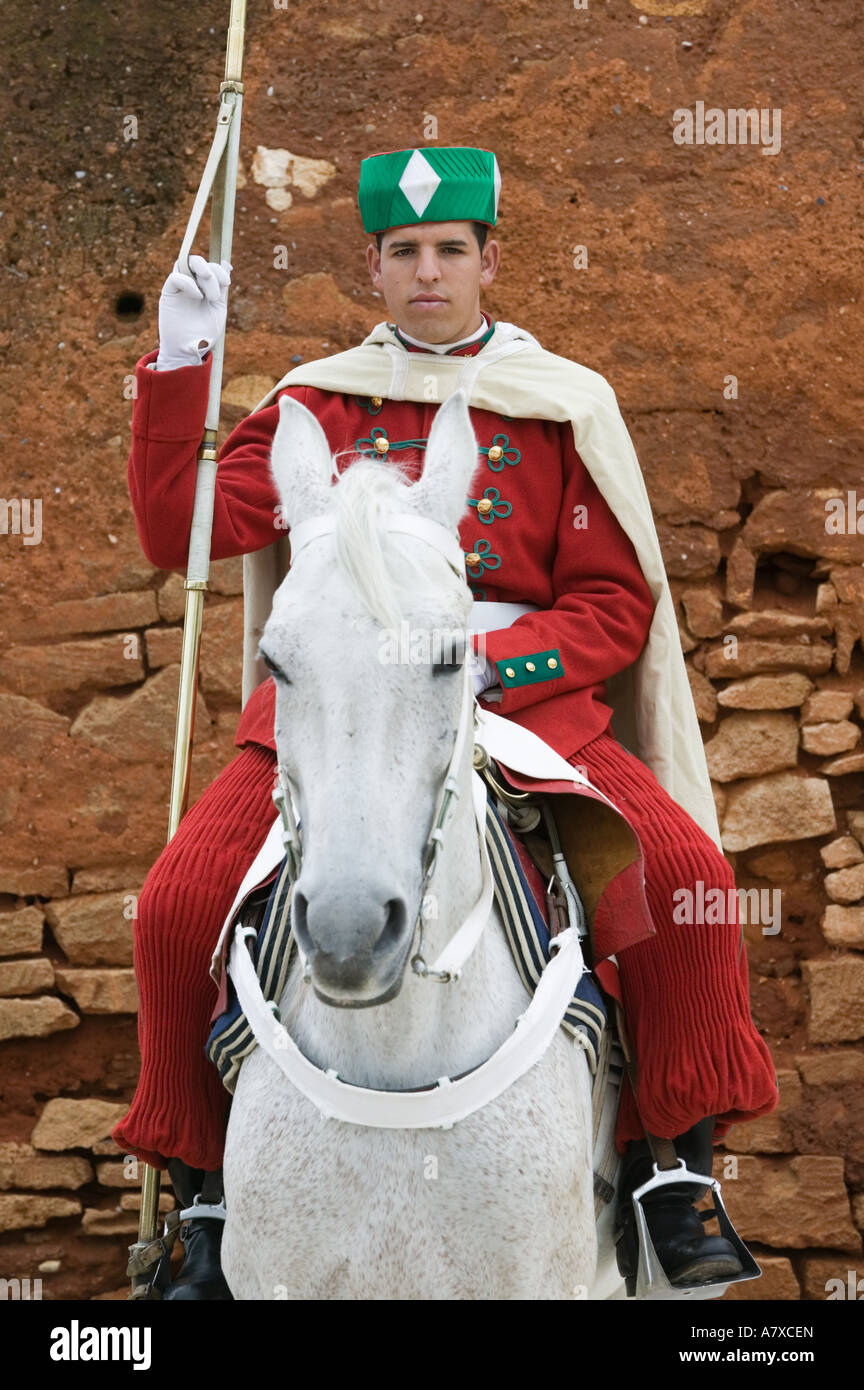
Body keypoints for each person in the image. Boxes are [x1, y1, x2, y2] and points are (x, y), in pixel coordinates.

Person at [114, 146, 778, 1299]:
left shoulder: (559, 400)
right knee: (176, 902)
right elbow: (182, 533)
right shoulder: (315, 402)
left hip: (522, 702)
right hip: (325, 709)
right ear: (372, 266)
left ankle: (672, 1169)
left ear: (490, 261)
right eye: (404, 252)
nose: (428, 274)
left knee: (689, 880)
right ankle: (207, 1195)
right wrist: (181, 364)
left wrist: (475, 664)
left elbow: (616, 603)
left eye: (450, 252)